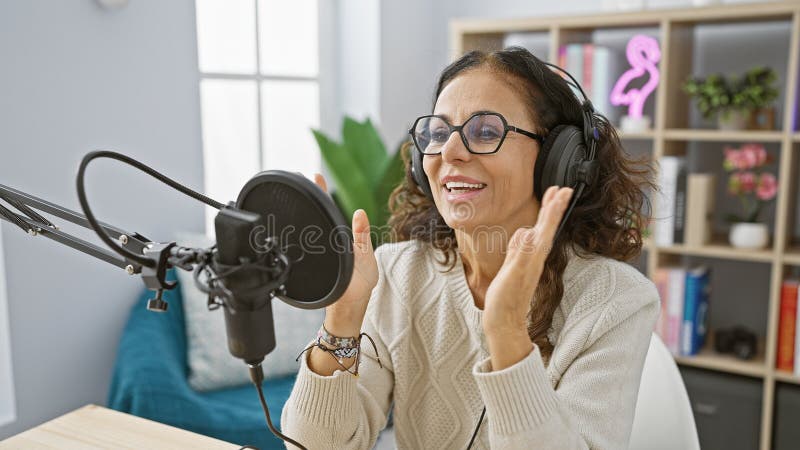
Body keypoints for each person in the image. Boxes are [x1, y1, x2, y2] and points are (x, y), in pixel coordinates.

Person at [280, 46, 660, 449]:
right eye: (438, 133)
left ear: (557, 158)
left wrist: (508, 333)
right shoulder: (394, 273)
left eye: (485, 132)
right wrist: (342, 317)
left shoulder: (616, 300)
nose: (449, 152)